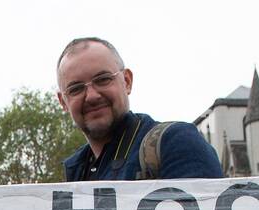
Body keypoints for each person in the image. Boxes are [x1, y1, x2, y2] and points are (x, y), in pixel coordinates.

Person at [56, 37, 223, 182]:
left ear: (127, 81)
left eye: (103, 79)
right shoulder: (77, 171)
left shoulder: (176, 143)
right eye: (76, 89)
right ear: (63, 102)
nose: (91, 96)